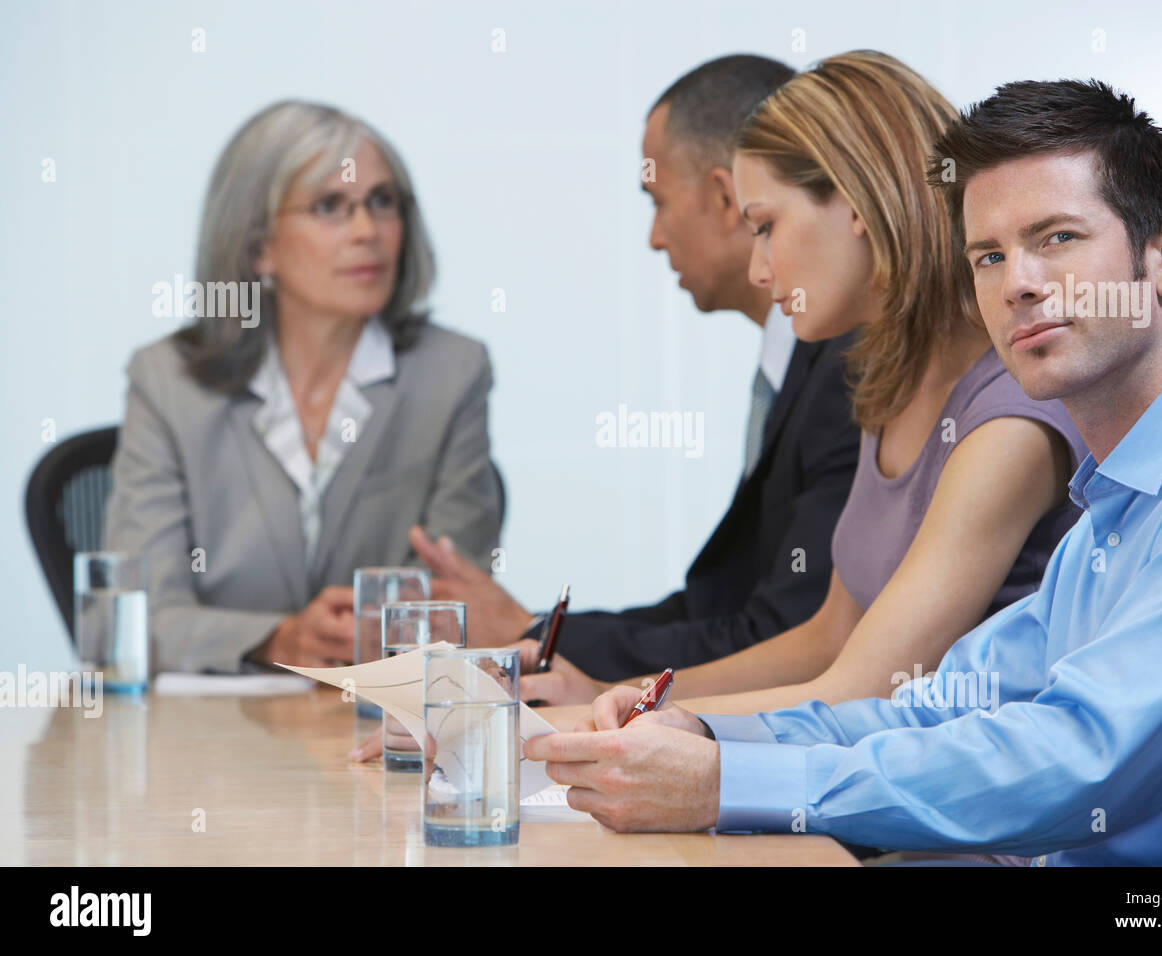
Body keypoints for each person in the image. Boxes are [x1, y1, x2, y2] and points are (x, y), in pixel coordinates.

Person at [528, 78, 1162, 866]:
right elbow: (935, 706)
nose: (1018, 284)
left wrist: (728, 781)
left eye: (1058, 238)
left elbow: (1077, 760)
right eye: (989, 256)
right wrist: (703, 732)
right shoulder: (1117, 501)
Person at [518, 50, 1085, 717]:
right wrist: (615, 695)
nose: (760, 269)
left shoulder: (1008, 422)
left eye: (766, 227)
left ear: (852, 202)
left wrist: (615, 720)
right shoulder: (888, 376)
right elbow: (830, 639)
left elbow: (866, 686)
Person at [393, 56, 860, 677]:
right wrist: (539, 635)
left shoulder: (848, 373)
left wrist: (546, 647)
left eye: (657, 202)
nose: (654, 238)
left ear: (726, 200)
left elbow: (784, 635)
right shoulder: (804, 362)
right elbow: (717, 607)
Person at [104, 101, 502, 673]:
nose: (368, 232)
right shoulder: (167, 382)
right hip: (212, 743)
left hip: (378, 727)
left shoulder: (453, 371)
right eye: (330, 207)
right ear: (258, 244)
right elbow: (136, 621)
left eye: (382, 202)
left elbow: (460, 607)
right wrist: (277, 641)